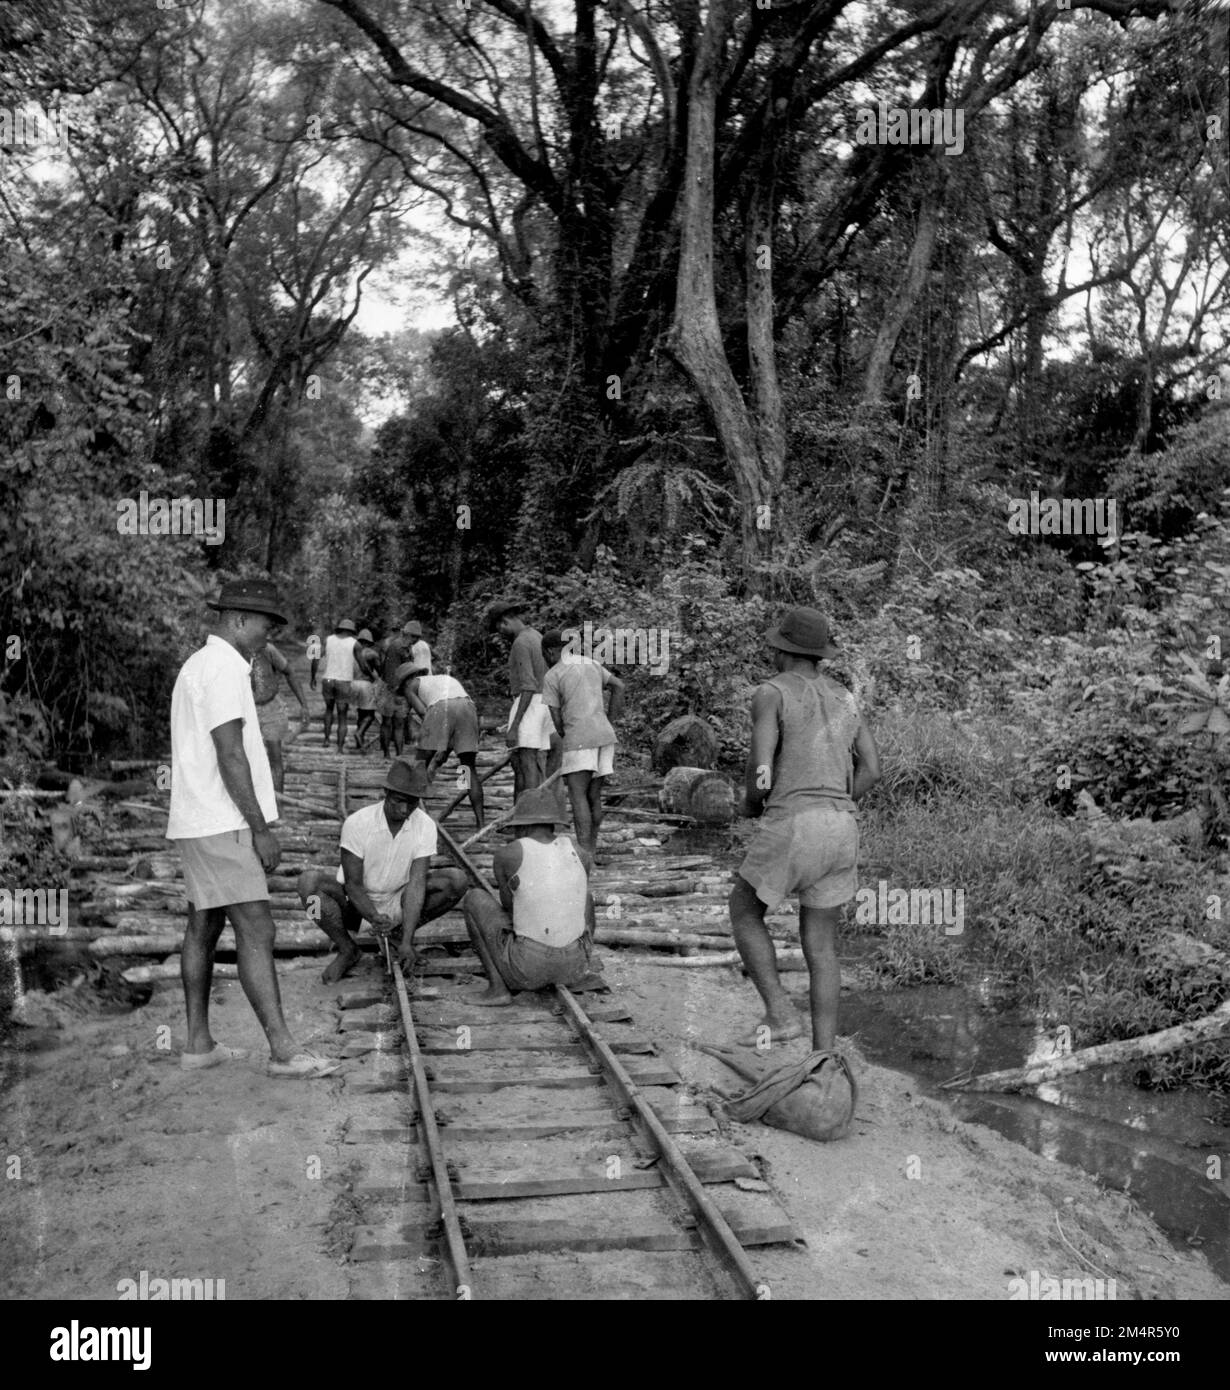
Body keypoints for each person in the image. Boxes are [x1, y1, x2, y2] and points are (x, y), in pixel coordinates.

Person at [168, 577, 339, 1078]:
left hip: (200, 819)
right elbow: (230, 753)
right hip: (224, 821)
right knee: (258, 928)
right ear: (239, 619)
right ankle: (284, 1051)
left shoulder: (202, 665)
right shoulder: (222, 668)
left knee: (205, 923)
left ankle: (199, 1045)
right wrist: (260, 827)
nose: (269, 635)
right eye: (266, 625)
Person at [730, 606, 880, 1051]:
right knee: (821, 946)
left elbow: (761, 770)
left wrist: (750, 807)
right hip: (842, 827)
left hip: (794, 822)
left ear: (781, 648)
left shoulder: (770, 692)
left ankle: (779, 1014)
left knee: (744, 911)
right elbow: (873, 768)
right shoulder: (846, 697)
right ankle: (823, 1057)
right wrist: (838, 803)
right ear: (819, 654)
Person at [297, 760, 468, 982]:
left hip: (399, 899)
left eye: (412, 803)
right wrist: (374, 916)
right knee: (308, 885)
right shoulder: (358, 823)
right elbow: (353, 885)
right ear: (385, 792)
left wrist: (408, 941)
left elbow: (417, 883)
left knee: (457, 880)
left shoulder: (424, 825)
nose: (405, 809)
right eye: (398, 801)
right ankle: (347, 948)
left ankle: (398, 936)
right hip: (356, 904)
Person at [459, 786, 598, 1005]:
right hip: (575, 968)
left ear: (522, 824)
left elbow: (510, 908)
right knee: (586, 897)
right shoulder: (580, 852)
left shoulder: (508, 854)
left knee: (474, 898)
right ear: (554, 822)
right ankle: (582, 957)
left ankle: (497, 989)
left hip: (528, 969)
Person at [540, 629, 625, 856]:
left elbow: (557, 719)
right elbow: (619, 686)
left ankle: (584, 853)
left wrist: (565, 732)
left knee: (578, 796)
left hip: (578, 738)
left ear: (549, 652)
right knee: (593, 796)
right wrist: (610, 720)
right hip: (604, 735)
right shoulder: (591, 663)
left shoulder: (553, 675)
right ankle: (592, 848)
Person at [398, 664, 484, 829]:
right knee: (467, 767)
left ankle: (413, 814)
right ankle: (480, 823)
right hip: (467, 706)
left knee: (420, 763)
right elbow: (454, 709)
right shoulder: (443, 679)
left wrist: (433, 745)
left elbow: (423, 713)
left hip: (440, 708)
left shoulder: (411, 685)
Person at [487, 601, 552, 800]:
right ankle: (528, 812)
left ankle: (529, 815)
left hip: (530, 702)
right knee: (529, 762)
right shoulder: (537, 636)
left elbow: (528, 685)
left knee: (526, 764)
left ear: (504, 622)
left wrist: (514, 725)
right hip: (544, 702)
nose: (500, 631)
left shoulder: (521, 642)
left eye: (499, 627)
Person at [250, 638, 309, 793]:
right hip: (246, 709)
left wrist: (304, 705)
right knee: (248, 756)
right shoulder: (233, 652)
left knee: (275, 757)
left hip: (272, 707)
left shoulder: (268, 650)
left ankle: (278, 803)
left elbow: (289, 672)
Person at [380, 621, 421, 757]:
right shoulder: (398, 647)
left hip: (398, 689)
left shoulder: (405, 647)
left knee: (398, 725)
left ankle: (397, 754)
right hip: (392, 689)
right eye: (414, 637)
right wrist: (396, 688)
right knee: (390, 723)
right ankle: (388, 753)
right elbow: (390, 671)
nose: (416, 641)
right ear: (408, 635)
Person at [319, 618, 358, 752]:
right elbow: (363, 665)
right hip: (344, 681)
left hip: (328, 680)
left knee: (329, 710)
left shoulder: (328, 639)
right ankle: (340, 747)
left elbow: (316, 658)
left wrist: (313, 676)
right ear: (352, 630)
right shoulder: (354, 643)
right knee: (342, 715)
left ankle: (326, 740)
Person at [350, 629, 381, 753]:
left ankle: (360, 741)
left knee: (361, 713)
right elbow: (379, 670)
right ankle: (359, 733)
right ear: (369, 642)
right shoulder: (371, 654)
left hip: (353, 684)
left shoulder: (352, 652)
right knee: (370, 715)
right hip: (365, 684)